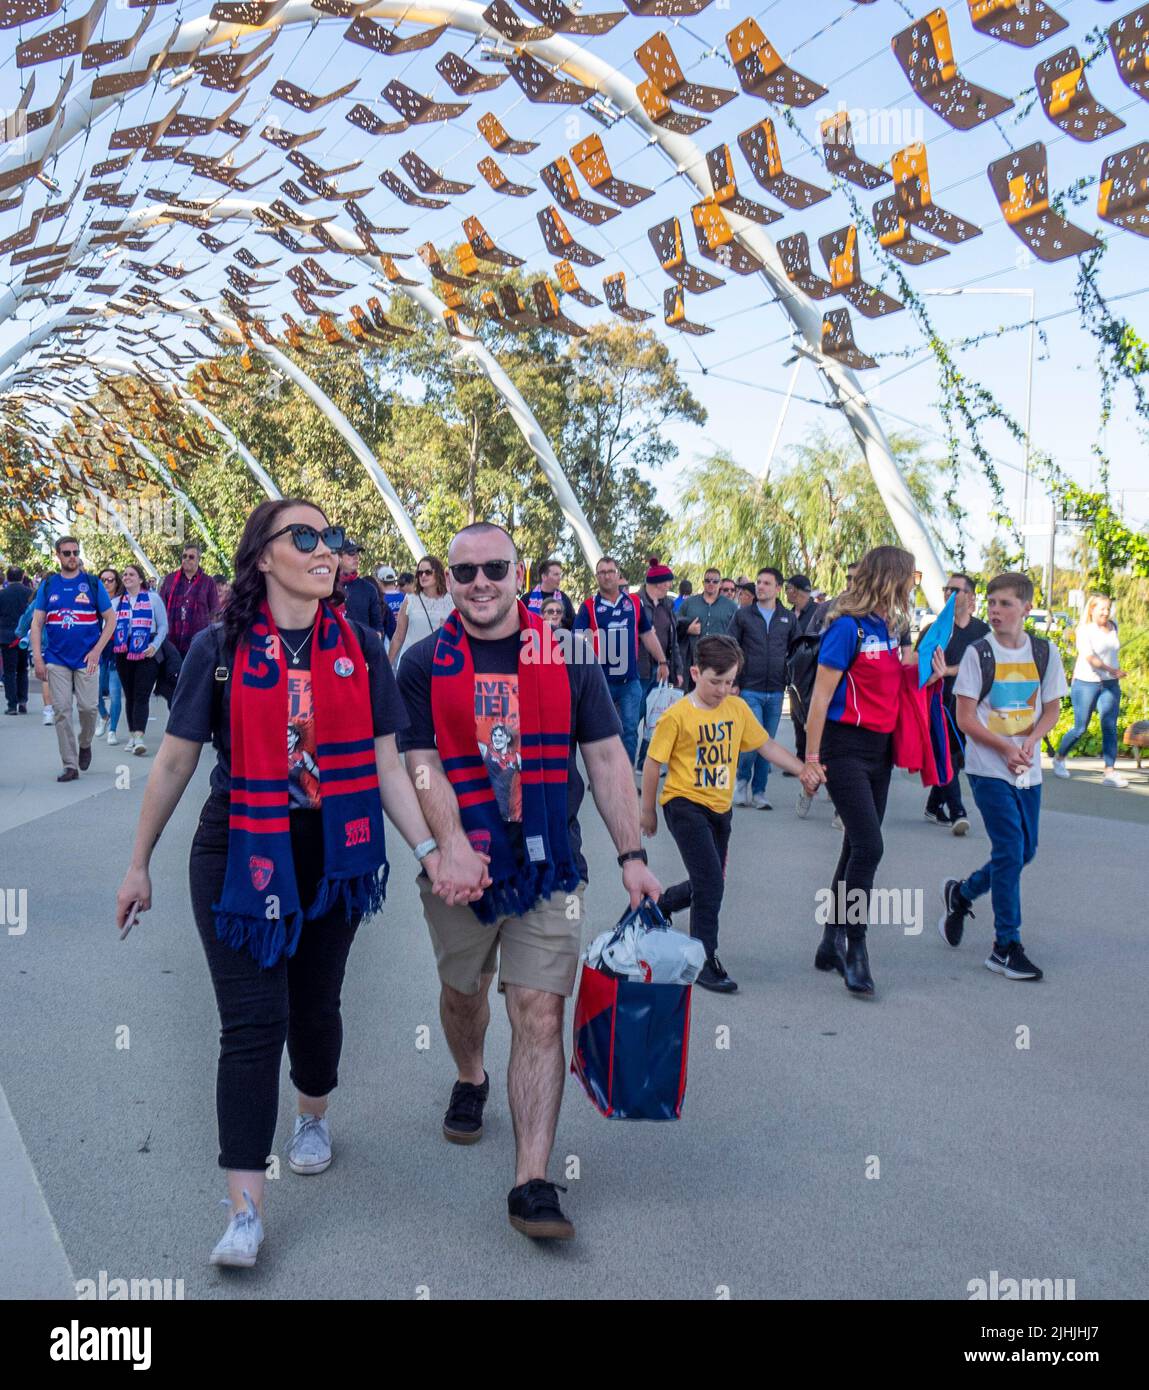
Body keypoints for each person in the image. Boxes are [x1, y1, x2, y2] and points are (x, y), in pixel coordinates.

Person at [115, 498, 444, 1270]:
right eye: (304, 537)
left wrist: (430, 851)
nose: (324, 548)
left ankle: (313, 1111)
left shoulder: (363, 649)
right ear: (262, 556)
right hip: (238, 851)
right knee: (251, 1025)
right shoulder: (216, 649)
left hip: (334, 855)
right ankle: (244, 1212)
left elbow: (388, 764)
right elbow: (174, 761)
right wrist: (137, 863)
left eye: (329, 537)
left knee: (314, 1008)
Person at [396, 522, 662, 1242]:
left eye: (494, 568)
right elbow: (418, 763)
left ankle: (531, 1181)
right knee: (464, 995)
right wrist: (447, 847)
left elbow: (606, 758)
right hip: (459, 870)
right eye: (463, 571)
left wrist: (631, 856)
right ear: (445, 579)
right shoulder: (422, 663)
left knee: (540, 1013)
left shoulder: (568, 656)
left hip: (549, 862)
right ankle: (471, 1075)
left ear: (520, 573)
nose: (479, 582)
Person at [641, 635, 822, 994]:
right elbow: (652, 763)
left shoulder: (737, 710)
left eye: (730, 682)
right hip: (683, 804)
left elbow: (766, 745)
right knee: (710, 883)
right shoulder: (677, 715)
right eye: (715, 681)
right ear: (695, 672)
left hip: (720, 809)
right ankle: (704, 958)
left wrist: (802, 768)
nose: (723, 690)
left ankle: (661, 907)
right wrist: (647, 810)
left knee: (711, 882)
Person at [803, 547, 943, 996]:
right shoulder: (847, 628)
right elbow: (820, 699)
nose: (913, 584)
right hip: (843, 747)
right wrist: (810, 759)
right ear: (891, 579)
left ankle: (830, 941)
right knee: (870, 845)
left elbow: (898, 679)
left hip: (879, 749)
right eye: (909, 576)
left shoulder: (888, 626)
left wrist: (930, 675)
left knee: (854, 847)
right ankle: (856, 947)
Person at [940, 572, 1068, 982]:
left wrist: (1031, 742)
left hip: (1026, 768)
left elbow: (1051, 709)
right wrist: (1006, 749)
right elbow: (964, 718)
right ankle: (1005, 946)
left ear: (1026, 608)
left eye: (1006, 604)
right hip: (988, 768)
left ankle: (961, 893)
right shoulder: (980, 654)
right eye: (992, 603)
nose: (996, 610)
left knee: (1024, 852)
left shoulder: (1045, 653)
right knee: (1011, 849)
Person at [30, 537, 116, 782]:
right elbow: (37, 623)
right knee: (61, 712)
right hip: (56, 658)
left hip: (87, 658)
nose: (72, 557)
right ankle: (70, 764)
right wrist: (38, 657)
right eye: (66, 553)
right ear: (58, 555)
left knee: (89, 708)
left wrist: (97, 650)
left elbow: (110, 620)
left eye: (75, 552)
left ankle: (85, 743)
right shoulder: (49, 585)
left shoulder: (91, 583)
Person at [573, 555, 668, 767]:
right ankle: (602, 775)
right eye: (602, 572)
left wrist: (662, 661)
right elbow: (577, 641)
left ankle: (623, 776)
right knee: (599, 732)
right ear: (596, 577)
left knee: (630, 730)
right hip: (600, 682)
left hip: (629, 681)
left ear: (618, 575)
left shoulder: (634, 603)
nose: (606, 576)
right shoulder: (588, 606)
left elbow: (647, 633)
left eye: (610, 571)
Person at [920, 573, 990, 832]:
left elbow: (985, 665)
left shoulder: (982, 631)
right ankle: (958, 811)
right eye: (946, 588)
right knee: (946, 755)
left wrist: (948, 671)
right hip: (939, 705)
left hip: (970, 705)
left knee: (957, 759)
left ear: (970, 597)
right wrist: (930, 676)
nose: (949, 593)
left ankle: (933, 805)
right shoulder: (934, 630)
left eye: (955, 590)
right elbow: (918, 664)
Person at [730, 567, 793, 810]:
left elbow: (796, 650)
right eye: (758, 582)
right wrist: (734, 681)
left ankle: (759, 791)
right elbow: (731, 647)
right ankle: (742, 781)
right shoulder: (744, 616)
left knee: (769, 742)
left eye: (767, 583)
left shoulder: (787, 618)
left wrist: (791, 677)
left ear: (778, 588)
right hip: (750, 688)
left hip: (776, 690)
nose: (760, 586)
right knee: (753, 740)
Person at [1053, 594, 1129, 788]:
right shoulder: (1085, 630)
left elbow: (1112, 652)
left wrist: (1114, 673)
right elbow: (1090, 658)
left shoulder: (1114, 626)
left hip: (1110, 685)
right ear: (1092, 609)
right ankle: (1060, 758)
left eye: (1108, 608)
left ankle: (1109, 771)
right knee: (1080, 727)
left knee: (1109, 726)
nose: (1105, 612)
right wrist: (1113, 670)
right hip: (1086, 683)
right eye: (1101, 608)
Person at [112, 564, 169, 757]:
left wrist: (154, 646)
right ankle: (131, 734)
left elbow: (163, 626)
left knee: (141, 694)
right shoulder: (116, 602)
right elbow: (107, 625)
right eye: (125, 574)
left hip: (147, 651)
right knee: (129, 694)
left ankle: (139, 737)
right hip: (123, 651)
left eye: (131, 574)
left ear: (140, 579)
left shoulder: (153, 599)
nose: (127, 577)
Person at [636, 557, 682, 770]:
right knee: (633, 717)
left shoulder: (667, 606)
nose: (669, 586)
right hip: (639, 668)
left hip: (661, 668)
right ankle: (621, 759)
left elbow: (673, 640)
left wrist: (677, 669)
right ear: (657, 583)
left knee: (656, 717)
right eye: (667, 582)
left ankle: (646, 761)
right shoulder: (635, 603)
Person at [676, 567, 738, 689]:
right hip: (693, 660)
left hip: (720, 661)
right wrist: (687, 630)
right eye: (708, 580)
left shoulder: (731, 606)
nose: (711, 584)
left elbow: (737, 635)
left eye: (715, 581)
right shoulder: (689, 603)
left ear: (720, 584)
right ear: (703, 583)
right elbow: (674, 626)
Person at [389, 556, 453, 666]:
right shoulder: (410, 600)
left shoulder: (452, 600)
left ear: (437, 573)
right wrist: (387, 665)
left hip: (440, 662)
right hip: (411, 663)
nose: (423, 576)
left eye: (428, 572)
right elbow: (398, 636)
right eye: (420, 573)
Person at [160, 543, 219, 658]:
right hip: (172, 639)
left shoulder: (208, 582)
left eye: (191, 557)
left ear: (198, 560)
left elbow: (214, 611)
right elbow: (161, 607)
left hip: (198, 640)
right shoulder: (170, 580)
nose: (187, 559)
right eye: (184, 556)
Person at [96, 568, 124, 745]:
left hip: (116, 649)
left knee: (114, 693)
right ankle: (104, 716)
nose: (107, 583)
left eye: (110, 580)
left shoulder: (123, 601)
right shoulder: (94, 600)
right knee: (94, 692)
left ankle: (112, 730)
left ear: (116, 582)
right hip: (98, 650)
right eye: (103, 580)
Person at [1, 566, 32, 715]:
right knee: (22, 669)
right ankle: (23, 701)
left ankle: (12, 704)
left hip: (7, 637)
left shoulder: (2, 594)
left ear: (7, 578)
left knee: (9, 671)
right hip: (24, 636)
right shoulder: (29, 593)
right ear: (22, 577)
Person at [338, 541, 383, 634]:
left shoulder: (368, 589)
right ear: (338, 557)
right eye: (351, 553)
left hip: (360, 646)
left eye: (357, 553)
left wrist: (373, 640)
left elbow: (378, 627)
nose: (356, 557)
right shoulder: (327, 586)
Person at [525, 558, 576, 629]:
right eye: (556, 574)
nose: (559, 578)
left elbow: (574, 624)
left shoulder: (564, 599)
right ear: (544, 577)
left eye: (560, 575)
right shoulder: (526, 599)